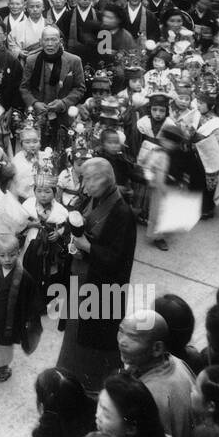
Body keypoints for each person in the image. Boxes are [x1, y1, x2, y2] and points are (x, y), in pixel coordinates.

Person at [57, 158, 137, 396]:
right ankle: (68, 377)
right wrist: (74, 245)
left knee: (94, 339)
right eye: (83, 179)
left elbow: (118, 258)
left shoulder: (122, 213)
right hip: (81, 278)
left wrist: (88, 247)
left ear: (106, 180)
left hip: (102, 287)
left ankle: (89, 386)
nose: (85, 186)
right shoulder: (91, 199)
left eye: (90, 180)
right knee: (74, 332)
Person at [118, 311, 196, 437]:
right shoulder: (175, 361)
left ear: (157, 348)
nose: (122, 342)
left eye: (133, 338)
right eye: (121, 331)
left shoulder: (148, 395)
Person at [0, 231, 42, 382]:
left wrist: (28, 317)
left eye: (12, 255)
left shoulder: (24, 276)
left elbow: (30, 299)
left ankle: (4, 366)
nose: (7, 259)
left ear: (18, 252)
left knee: (4, 345)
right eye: (2, 255)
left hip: (10, 319)